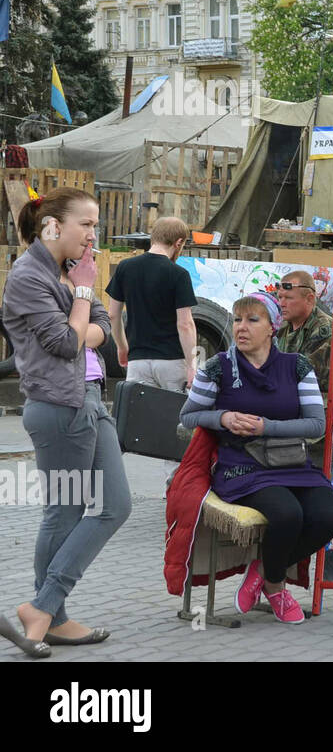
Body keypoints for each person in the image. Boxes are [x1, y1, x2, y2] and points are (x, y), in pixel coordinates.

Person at [0, 188, 130, 659]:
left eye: (96, 225)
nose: (94, 235)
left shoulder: (69, 271)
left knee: (116, 505)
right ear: (53, 225)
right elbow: (63, 343)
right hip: (58, 407)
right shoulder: (28, 275)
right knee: (66, 512)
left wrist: (82, 310)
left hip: (91, 401)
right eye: (87, 225)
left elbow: (93, 326)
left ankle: (43, 608)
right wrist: (80, 297)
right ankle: (49, 614)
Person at [178, 291, 333, 624]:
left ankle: (263, 572)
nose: (242, 327)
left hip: (290, 463)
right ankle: (277, 588)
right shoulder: (218, 367)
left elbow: (315, 424)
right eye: (238, 319)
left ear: (272, 328)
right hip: (241, 466)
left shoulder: (297, 367)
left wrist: (267, 426)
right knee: (287, 513)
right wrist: (222, 418)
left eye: (253, 320)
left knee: (328, 516)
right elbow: (188, 416)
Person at [106, 216, 197, 391]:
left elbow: (113, 315)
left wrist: (122, 347)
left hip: (137, 361)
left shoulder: (125, 267)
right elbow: (185, 324)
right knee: (172, 416)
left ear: (153, 238)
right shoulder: (179, 274)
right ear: (178, 243)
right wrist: (192, 365)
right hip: (172, 361)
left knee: (138, 416)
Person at [274, 270, 333, 395]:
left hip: (313, 400)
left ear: (309, 299)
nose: (281, 304)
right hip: (285, 395)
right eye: (280, 297)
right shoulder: (281, 326)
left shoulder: (324, 329)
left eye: (288, 298)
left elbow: (305, 375)